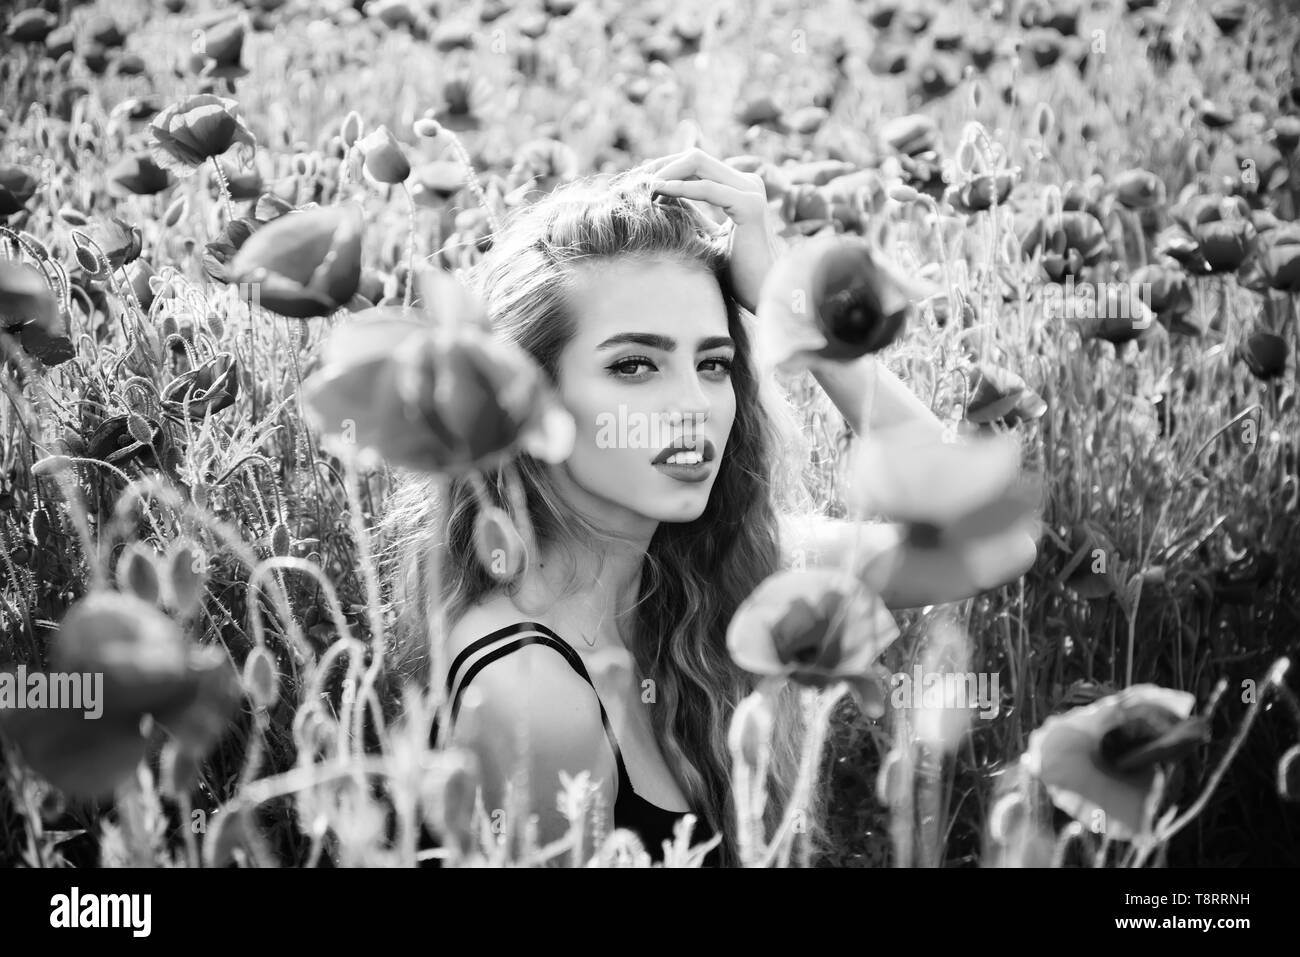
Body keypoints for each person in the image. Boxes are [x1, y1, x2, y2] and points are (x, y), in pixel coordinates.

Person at [380, 148, 1037, 867]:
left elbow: (989, 540)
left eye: (714, 363)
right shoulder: (530, 691)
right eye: (634, 364)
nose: (693, 410)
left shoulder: (721, 570)